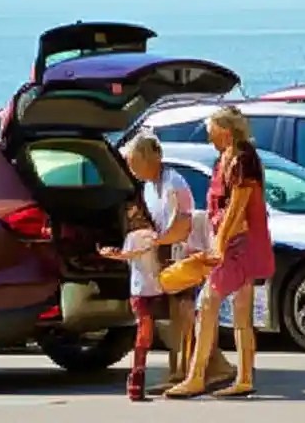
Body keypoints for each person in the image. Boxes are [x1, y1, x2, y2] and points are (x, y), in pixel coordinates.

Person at [167, 106, 275, 399]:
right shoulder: (227, 158)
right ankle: (244, 378)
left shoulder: (241, 159)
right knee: (240, 312)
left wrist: (218, 245)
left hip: (239, 245)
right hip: (239, 243)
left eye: (211, 130)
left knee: (207, 303)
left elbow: (237, 207)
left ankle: (196, 377)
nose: (208, 136)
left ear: (225, 130)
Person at [122, 132, 235, 394]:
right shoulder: (149, 187)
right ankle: (187, 370)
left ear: (151, 158)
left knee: (185, 315)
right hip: (168, 255)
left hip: (186, 254)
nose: (132, 168)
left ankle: (193, 371)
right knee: (179, 318)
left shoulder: (174, 182)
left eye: (135, 162)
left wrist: (157, 241)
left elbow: (183, 224)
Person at [97, 200, 162, 401]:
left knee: (142, 333)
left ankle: (136, 377)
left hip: (140, 290)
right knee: (146, 332)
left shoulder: (133, 237)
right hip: (156, 288)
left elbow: (127, 256)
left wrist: (109, 254)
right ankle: (138, 378)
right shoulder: (155, 235)